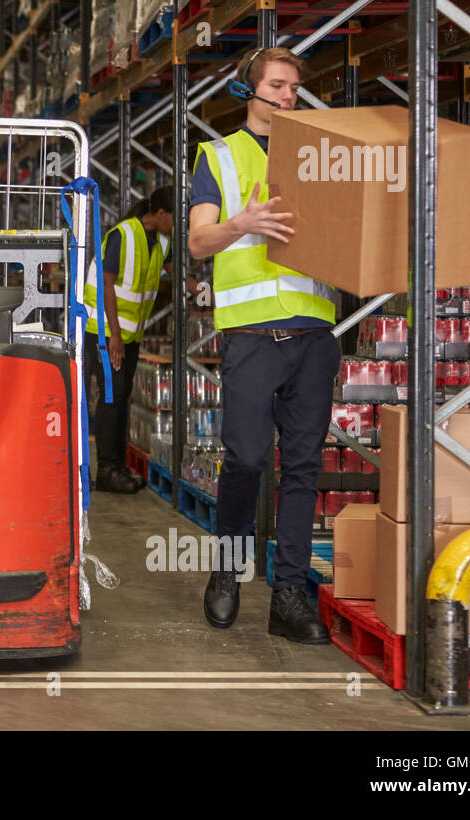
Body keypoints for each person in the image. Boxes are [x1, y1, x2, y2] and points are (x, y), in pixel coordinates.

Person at [187, 46, 340, 644]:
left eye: (294, 88)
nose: (287, 96)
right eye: (276, 85)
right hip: (252, 337)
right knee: (247, 458)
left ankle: (289, 595)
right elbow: (199, 243)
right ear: (248, 92)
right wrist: (241, 225)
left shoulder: (319, 157)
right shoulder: (219, 158)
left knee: (302, 466)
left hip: (313, 335)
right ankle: (227, 568)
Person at [84, 186, 174, 494]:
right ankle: (107, 470)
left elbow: (176, 271)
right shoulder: (123, 235)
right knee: (111, 397)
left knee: (122, 397)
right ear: (160, 214)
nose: (176, 226)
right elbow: (106, 286)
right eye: (174, 218)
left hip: (130, 333)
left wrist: (195, 285)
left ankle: (117, 467)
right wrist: (116, 338)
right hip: (106, 332)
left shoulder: (161, 240)